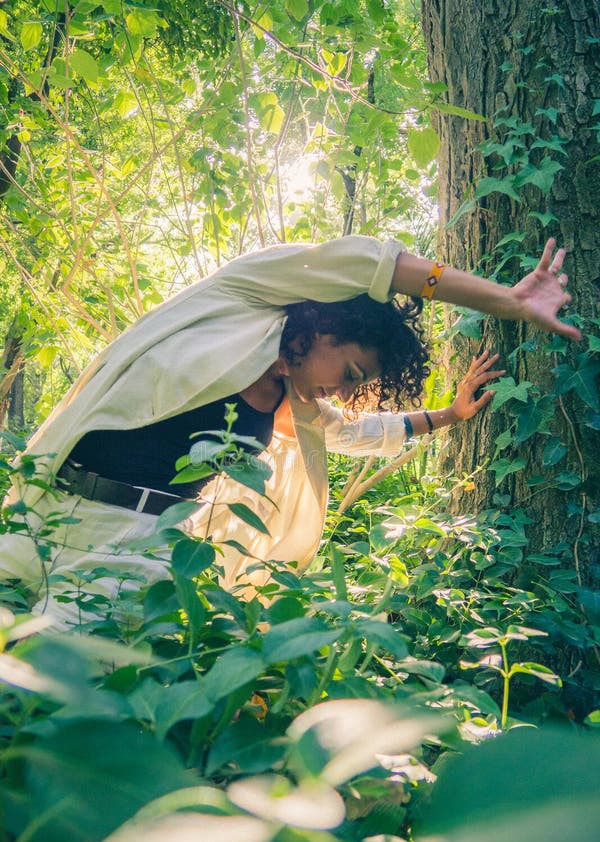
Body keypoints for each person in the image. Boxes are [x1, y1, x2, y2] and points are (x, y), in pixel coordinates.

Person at [0, 235, 575, 627]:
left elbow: (356, 432)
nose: (345, 390)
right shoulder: (241, 296)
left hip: (138, 544)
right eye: (351, 372)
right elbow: (376, 264)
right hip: (44, 509)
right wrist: (508, 301)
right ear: (324, 327)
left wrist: (448, 416)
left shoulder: (289, 400)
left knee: (52, 698)